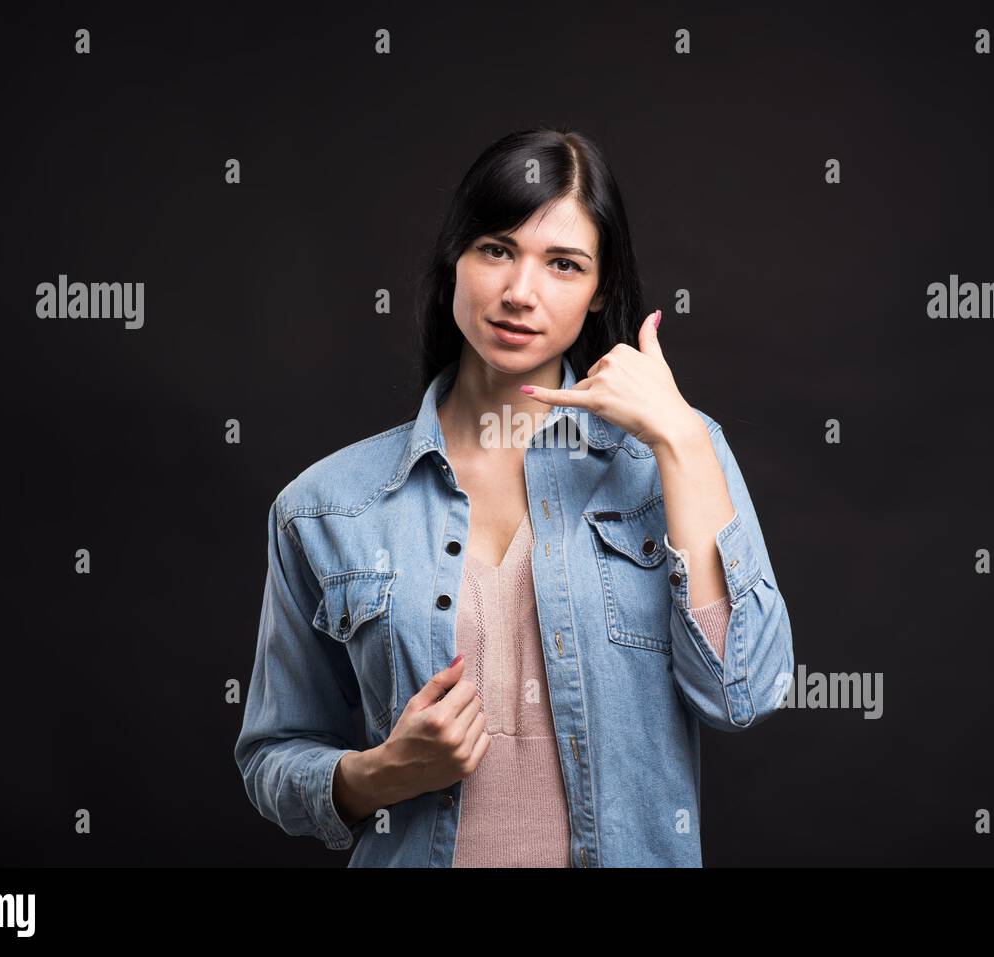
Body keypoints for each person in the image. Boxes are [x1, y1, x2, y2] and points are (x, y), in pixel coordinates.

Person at [234, 127, 795, 867]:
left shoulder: (676, 456)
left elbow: (741, 693)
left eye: (564, 264)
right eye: (497, 249)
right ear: (455, 260)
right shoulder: (324, 507)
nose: (519, 292)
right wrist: (381, 771)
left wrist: (682, 441)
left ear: (601, 292)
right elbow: (272, 754)